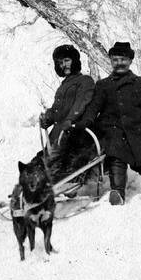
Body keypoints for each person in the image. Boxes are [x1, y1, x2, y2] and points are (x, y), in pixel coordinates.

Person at [70, 40, 141, 205]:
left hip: (139, 131)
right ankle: (117, 192)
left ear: (130, 61)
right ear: (110, 61)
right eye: (115, 60)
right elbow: (93, 108)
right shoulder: (103, 85)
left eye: (123, 59)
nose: (119, 63)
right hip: (114, 131)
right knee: (116, 157)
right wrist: (85, 122)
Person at [38, 44, 95, 180]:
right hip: (57, 134)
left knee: (56, 166)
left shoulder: (85, 80)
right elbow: (57, 109)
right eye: (60, 62)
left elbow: (81, 103)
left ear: (74, 60)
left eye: (67, 60)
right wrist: (47, 117)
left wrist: (70, 120)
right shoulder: (63, 86)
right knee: (41, 163)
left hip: (74, 132)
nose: (64, 65)